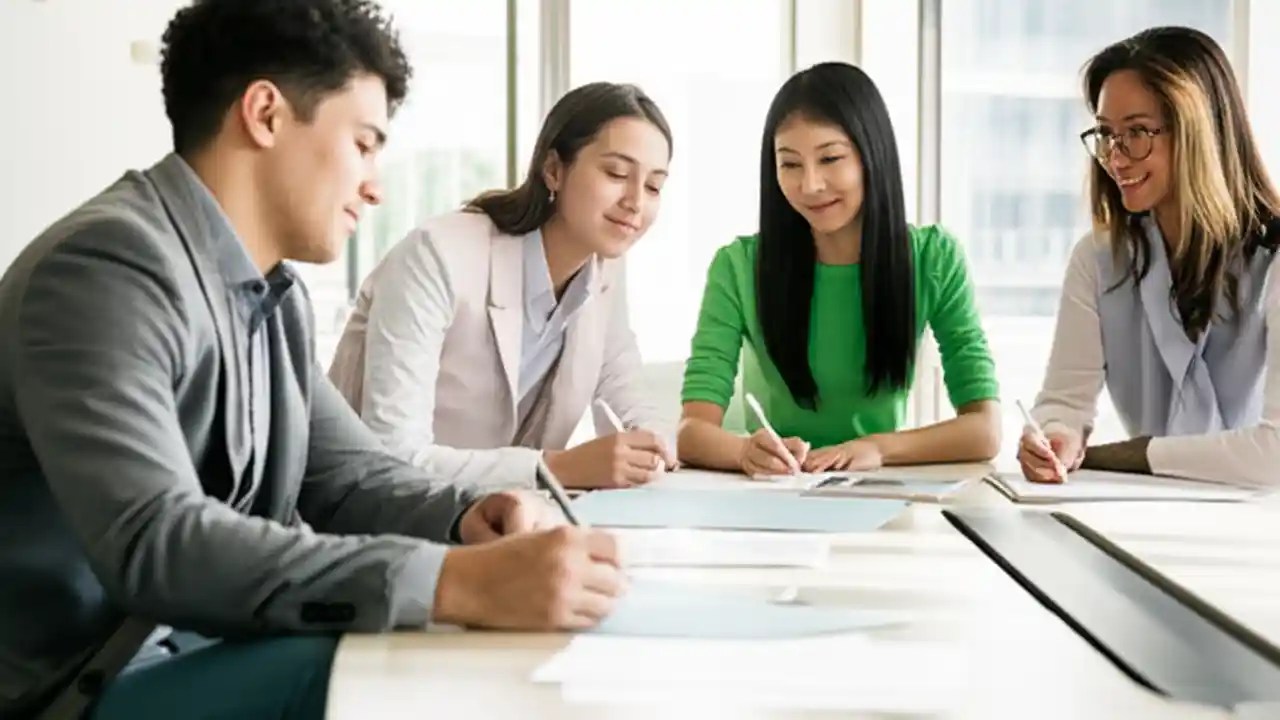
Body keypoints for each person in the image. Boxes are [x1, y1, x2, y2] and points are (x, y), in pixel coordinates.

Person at [0, 2, 624, 717]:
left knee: (443, 649)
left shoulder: (273, 294)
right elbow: (158, 541)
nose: (376, 185)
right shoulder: (106, 269)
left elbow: (347, 477)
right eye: (364, 144)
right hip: (76, 687)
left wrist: (471, 516)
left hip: (186, 647)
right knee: (408, 675)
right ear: (265, 114)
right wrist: (454, 581)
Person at [328, 82, 677, 491]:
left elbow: (624, 381)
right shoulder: (437, 254)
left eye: (654, 186)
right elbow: (394, 454)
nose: (636, 201)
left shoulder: (603, 269)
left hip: (490, 515)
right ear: (553, 170)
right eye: (616, 173)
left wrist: (654, 442)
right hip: (366, 512)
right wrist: (555, 467)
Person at [677, 62, 1001, 478]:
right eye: (790, 164)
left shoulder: (933, 259)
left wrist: (878, 448)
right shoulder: (738, 266)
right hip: (773, 491)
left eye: (830, 158)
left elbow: (984, 430)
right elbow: (692, 431)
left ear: (872, 155)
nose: (810, 185)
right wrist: (743, 452)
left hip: (877, 488)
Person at [1018, 26, 1280, 488]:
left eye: (1137, 132)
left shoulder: (1273, 261)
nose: (1116, 159)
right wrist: (1057, 436)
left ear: (1199, 132)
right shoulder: (1097, 261)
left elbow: (1273, 454)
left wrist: (1131, 454)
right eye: (1106, 134)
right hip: (1146, 510)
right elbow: (1064, 401)